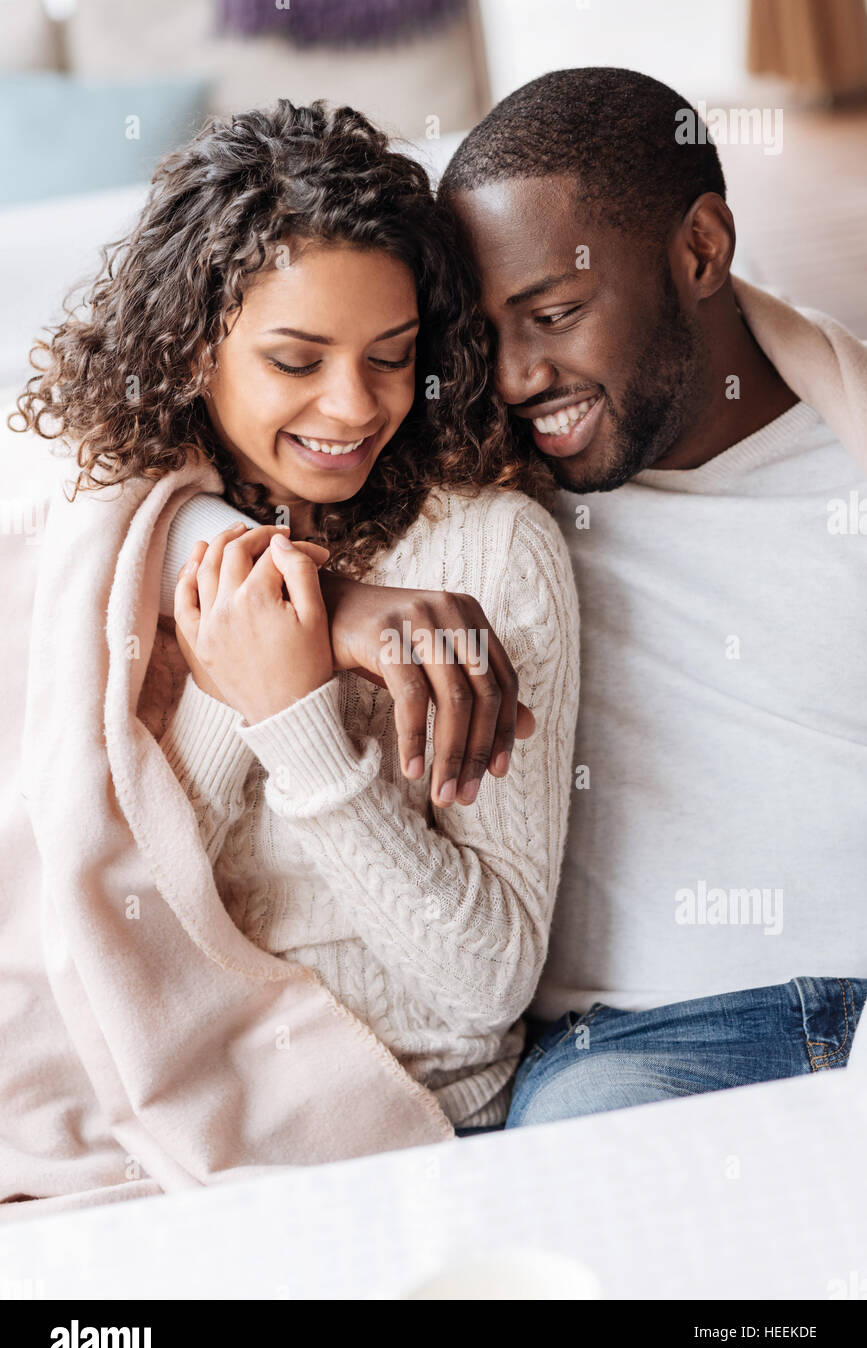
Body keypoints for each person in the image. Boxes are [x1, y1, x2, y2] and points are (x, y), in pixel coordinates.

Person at [163, 68, 867, 1128]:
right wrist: (325, 592)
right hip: (640, 1037)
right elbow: (120, 472)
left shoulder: (841, 451)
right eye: (486, 337)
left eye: (557, 313)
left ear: (703, 251)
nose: (521, 375)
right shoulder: (483, 476)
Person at [14, 100, 579, 1136]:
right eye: (297, 360)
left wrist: (299, 719)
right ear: (192, 349)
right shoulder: (129, 528)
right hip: (160, 1102)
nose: (357, 406)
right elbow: (121, 905)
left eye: (392, 354)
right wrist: (304, 610)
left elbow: (489, 985)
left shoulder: (492, 554)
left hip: (409, 1110)